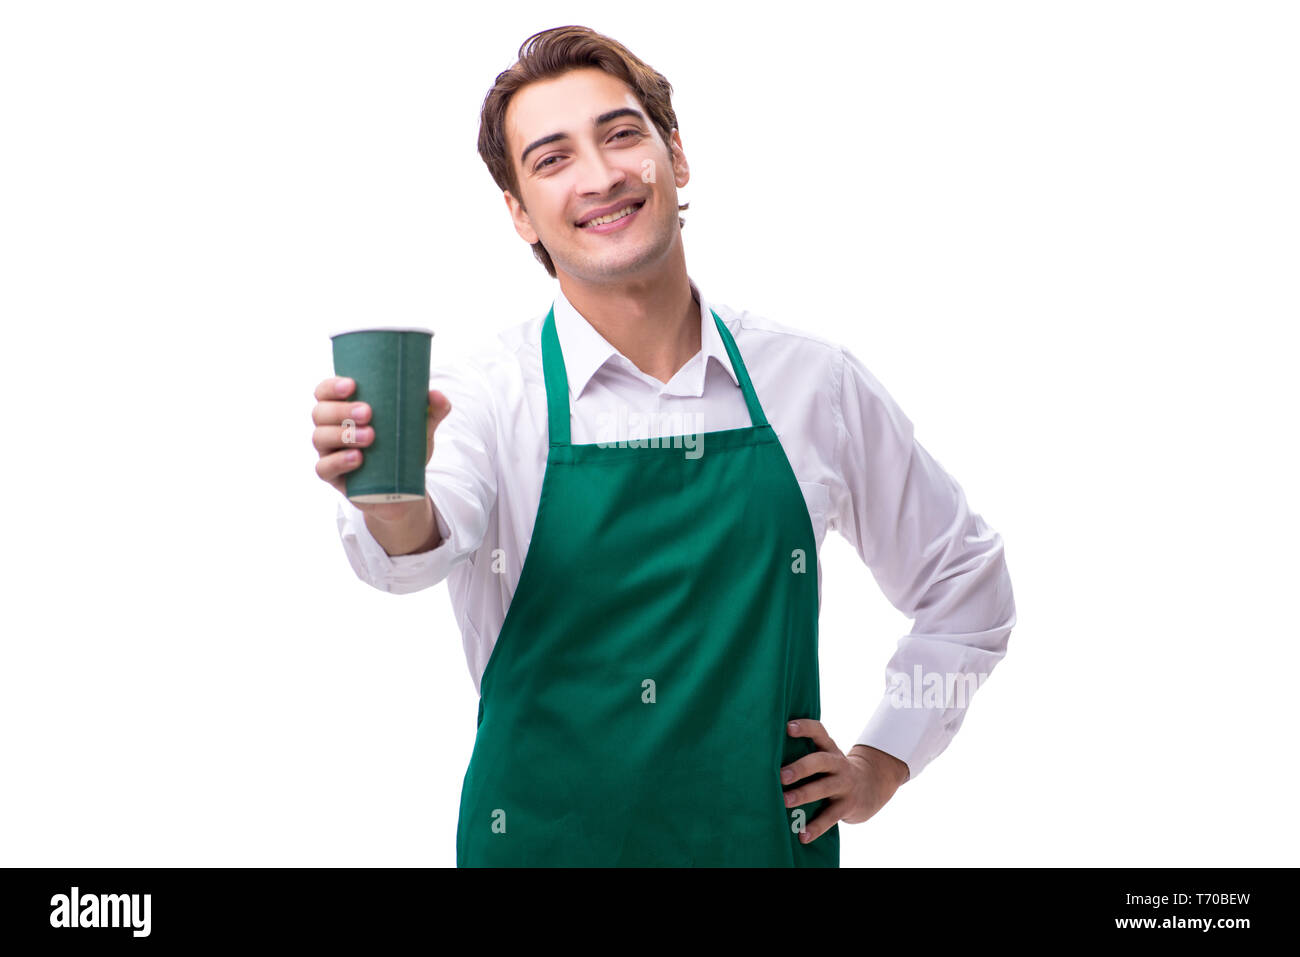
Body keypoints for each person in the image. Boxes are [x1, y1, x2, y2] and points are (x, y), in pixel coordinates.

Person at [310, 25, 1016, 867]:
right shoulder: (485, 396)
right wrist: (387, 485)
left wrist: (880, 763)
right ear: (518, 215)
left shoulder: (811, 383)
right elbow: (412, 554)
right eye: (552, 159)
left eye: (620, 135)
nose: (601, 175)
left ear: (674, 156)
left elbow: (966, 584)